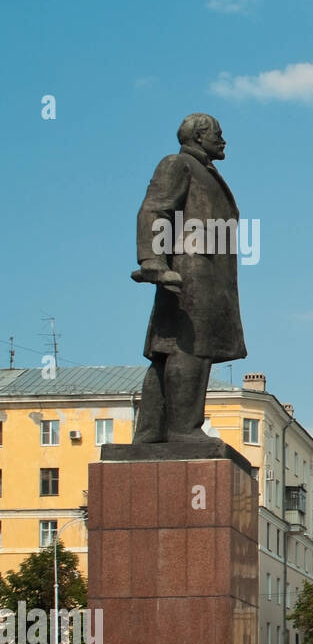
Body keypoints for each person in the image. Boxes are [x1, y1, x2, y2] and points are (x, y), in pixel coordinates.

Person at [132, 113, 247, 443]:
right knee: (189, 346)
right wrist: (152, 259)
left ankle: (151, 432)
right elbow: (155, 209)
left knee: (170, 349)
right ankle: (183, 429)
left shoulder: (206, 171)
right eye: (218, 134)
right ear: (199, 136)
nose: (223, 140)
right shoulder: (178, 164)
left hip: (204, 270)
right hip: (189, 269)